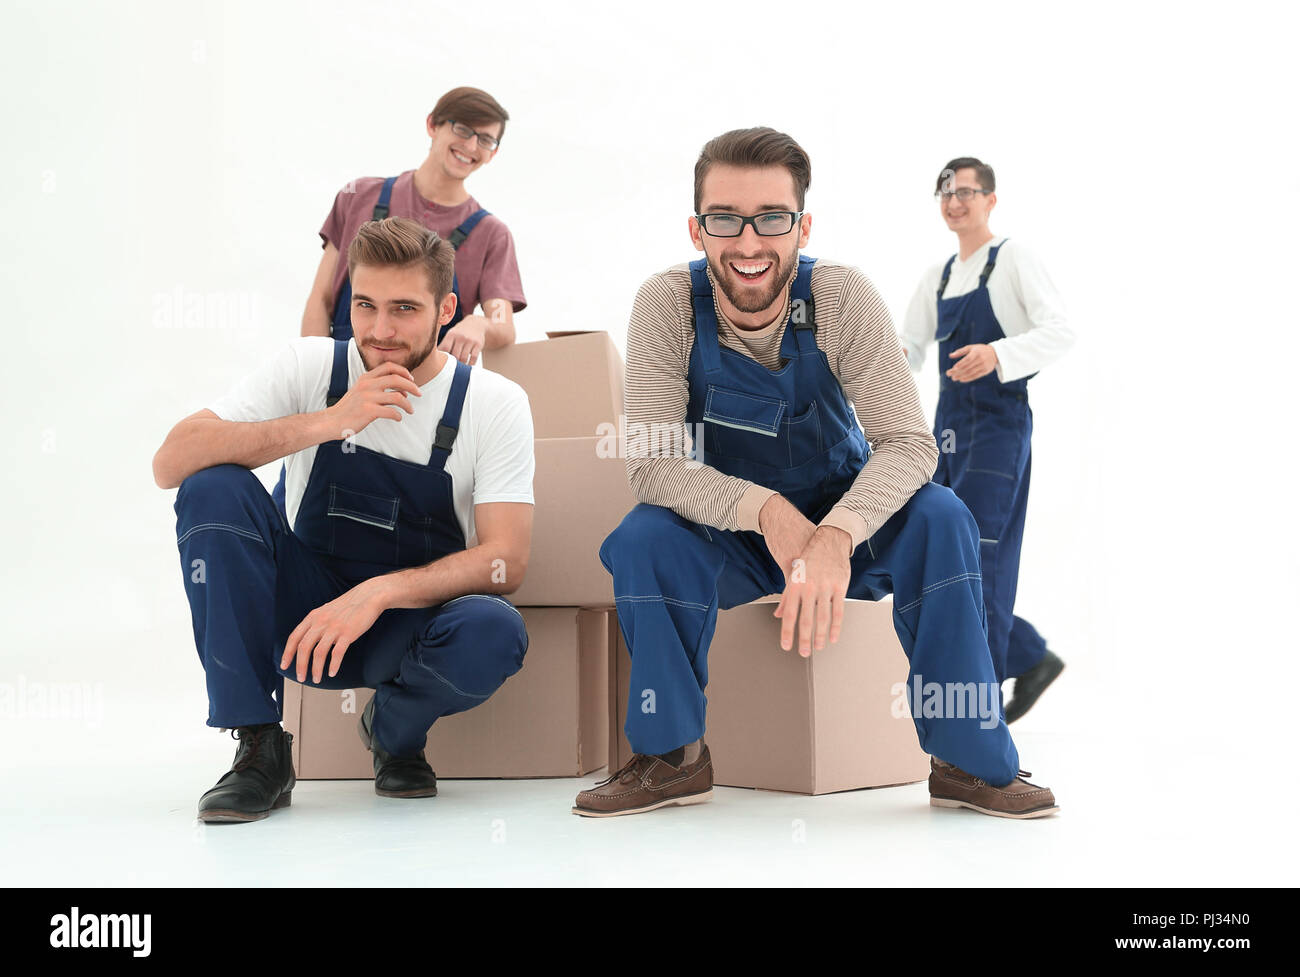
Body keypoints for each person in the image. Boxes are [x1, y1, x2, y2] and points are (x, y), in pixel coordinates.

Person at [574, 128, 1058, 820]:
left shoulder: (840, 296)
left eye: (771, 218)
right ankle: (673, 755)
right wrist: (767, 512)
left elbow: (909, 445)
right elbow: (653, 465)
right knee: (642, 538)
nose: (748, 243)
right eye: (725, 220)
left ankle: (967, 760)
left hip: (848, 528)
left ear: (802, 225)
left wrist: (835, 534)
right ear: (696, 227)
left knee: (943, 515)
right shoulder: (664, 304)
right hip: (732, 538)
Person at [153, 218, 535, 823]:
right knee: (213, 487)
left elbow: (506, 560)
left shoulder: (492, 403)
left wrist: (377, 594)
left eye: (404, 308)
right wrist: (330, 421)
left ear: (446, 310)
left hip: (400, 631)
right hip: (301, 622)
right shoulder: (311, 368)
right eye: (365, 305)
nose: (380, 332)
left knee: (494, 630)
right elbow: (171, 461)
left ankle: (396, 733)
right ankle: (259, 749)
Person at [900, 158, 1074, 722]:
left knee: (982, 557)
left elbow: (1059, 331)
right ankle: (1027, 655)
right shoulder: (941, 276)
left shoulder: (1013, 260)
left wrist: (999, 354)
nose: (955, 202)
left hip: (998, 428)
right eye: (945, 193)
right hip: (944, 433)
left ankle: (982, 707)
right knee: (934, 552)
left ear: (990, 200)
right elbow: (907, 350)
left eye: (966, 192)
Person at [302, 86, 526, 366]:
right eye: (463, 129)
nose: (471, 146)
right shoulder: (358, 196)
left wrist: (479, 324)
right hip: (345, 378)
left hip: (425, 393)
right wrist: (317, 377)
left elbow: (502, 323)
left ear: (493, 154)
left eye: (485, 140)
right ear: (432, 125)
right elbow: (320, 299)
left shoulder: (491, 234)